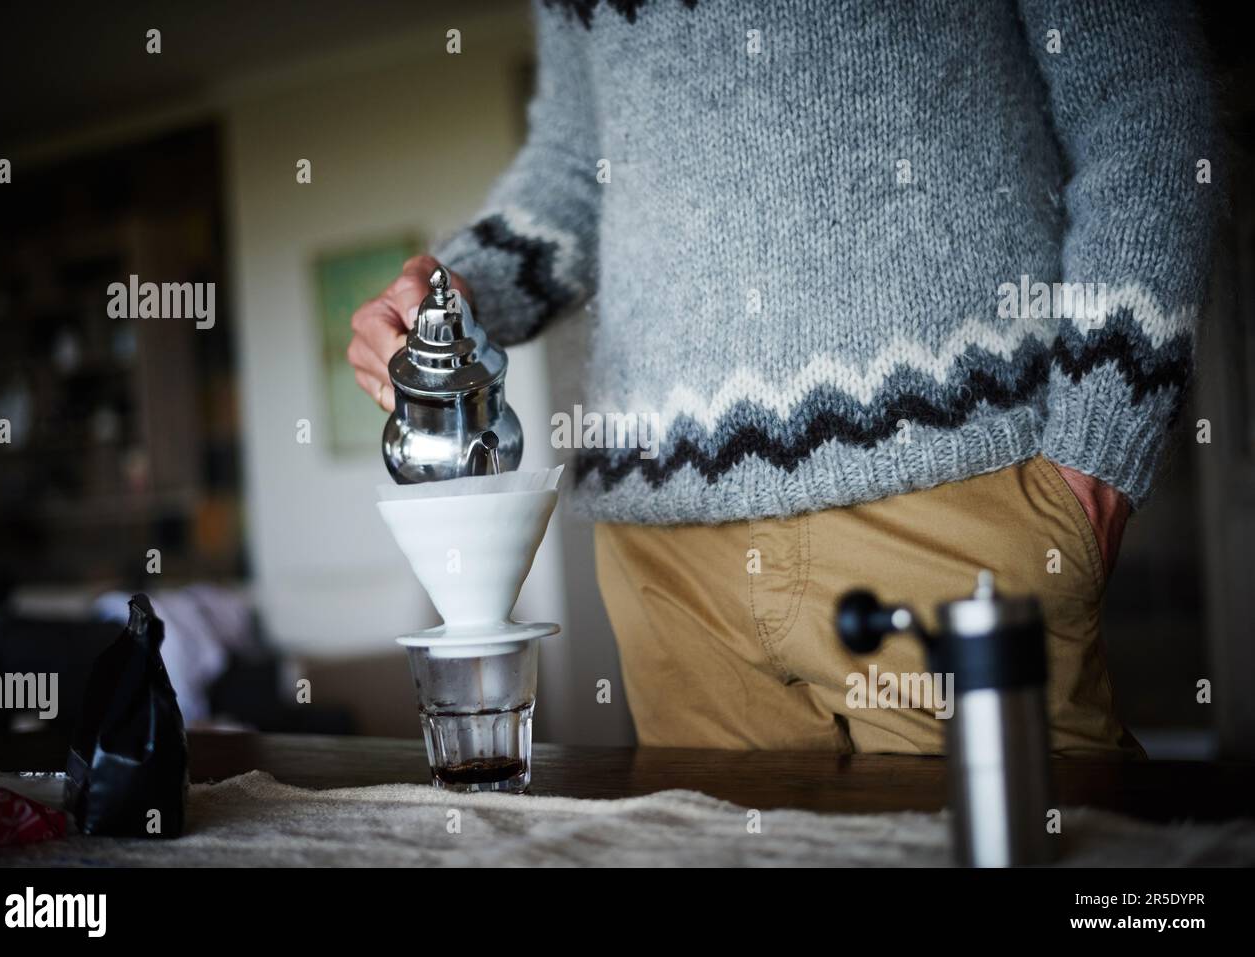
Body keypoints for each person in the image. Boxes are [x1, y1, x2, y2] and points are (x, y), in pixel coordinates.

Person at [348, 0, 1218, 754]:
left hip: (951, 505)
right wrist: (456, 296)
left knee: (1039, 849)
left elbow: (1143, 101)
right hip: (668, 561)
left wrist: (1098, 454)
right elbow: (577, 169)